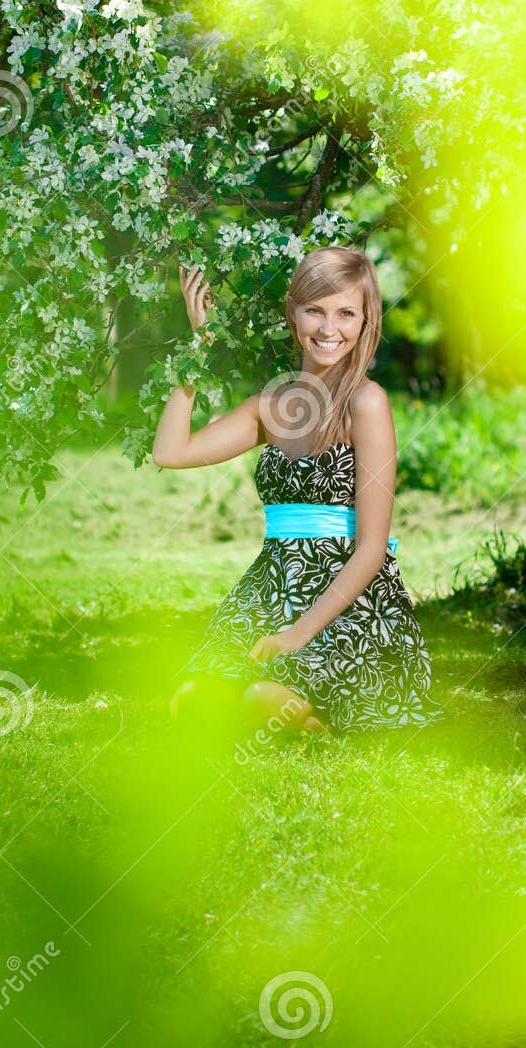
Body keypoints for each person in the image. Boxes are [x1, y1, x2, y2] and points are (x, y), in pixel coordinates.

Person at [152, 247, 440, 735]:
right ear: (293, 313)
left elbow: (373, 548)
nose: (329, 329)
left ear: (366, 320)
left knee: (263, 700)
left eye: (346, 313)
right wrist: (198, 345)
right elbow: (171, 452)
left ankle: (313, 723)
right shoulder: (269, 406)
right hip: (271, 587)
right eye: (316, 311)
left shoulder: (367, 404)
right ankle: (287, 717)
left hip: (349, 600)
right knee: (191, 701)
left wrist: (298, 634)